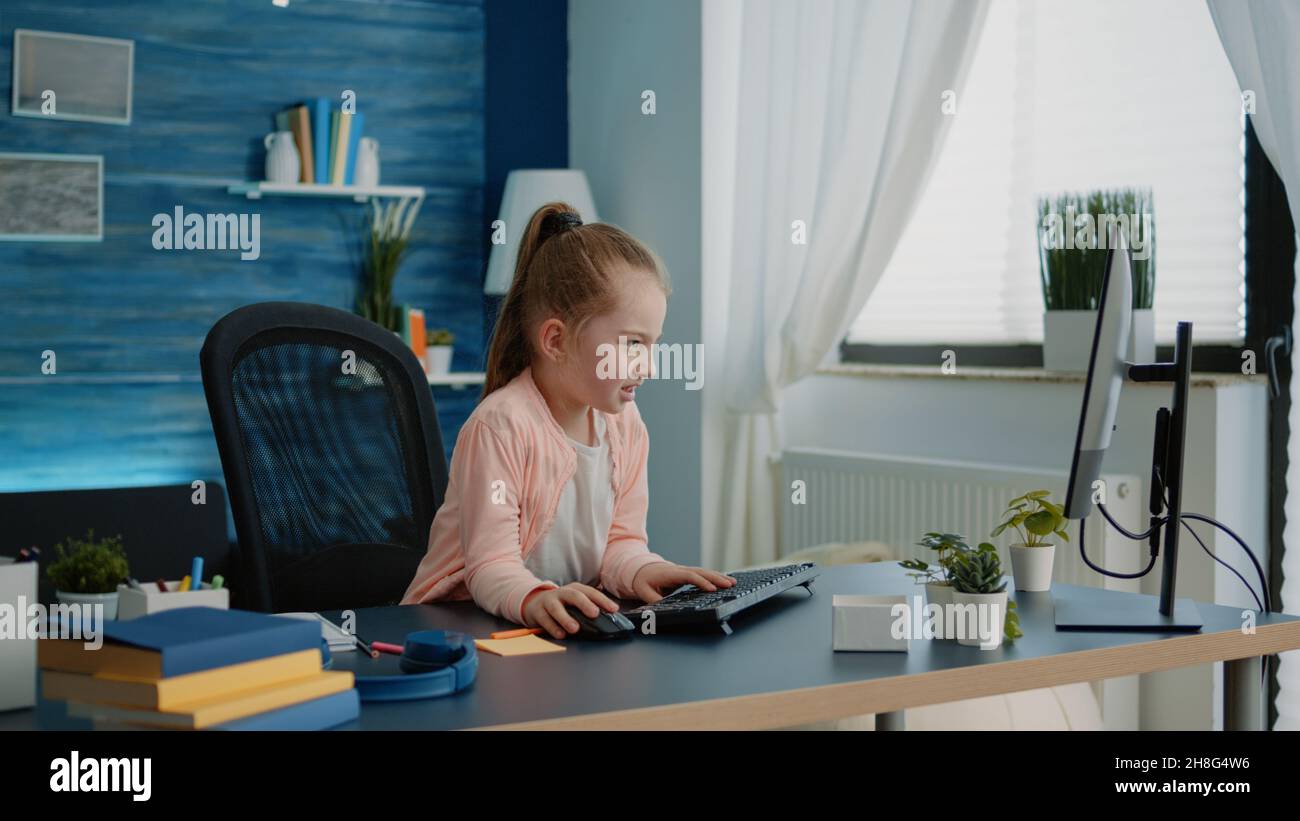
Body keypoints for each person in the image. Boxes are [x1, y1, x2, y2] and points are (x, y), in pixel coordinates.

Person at [401, 201, 734, 638]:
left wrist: (644, 570)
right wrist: (536, 597)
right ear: (556, 340)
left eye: (653, 344)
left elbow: (620, 544)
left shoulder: (626, 426)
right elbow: (491, 565)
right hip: (459, 629)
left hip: (552, 629)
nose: (650, 367)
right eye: (633, 344)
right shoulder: (500, 427)